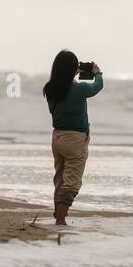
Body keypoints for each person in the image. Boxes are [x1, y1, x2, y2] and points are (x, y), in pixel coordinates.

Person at [42, 49, 103, 225]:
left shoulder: (50, 89)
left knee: (60, 178)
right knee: (72, 182)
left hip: (57, 138)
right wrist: (97, 73)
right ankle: (60, 220)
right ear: (71, 69)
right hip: (75, 139)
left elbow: (65, 88)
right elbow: (97, 87)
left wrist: (71, 73)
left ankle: (57, 213)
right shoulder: (78, 89)